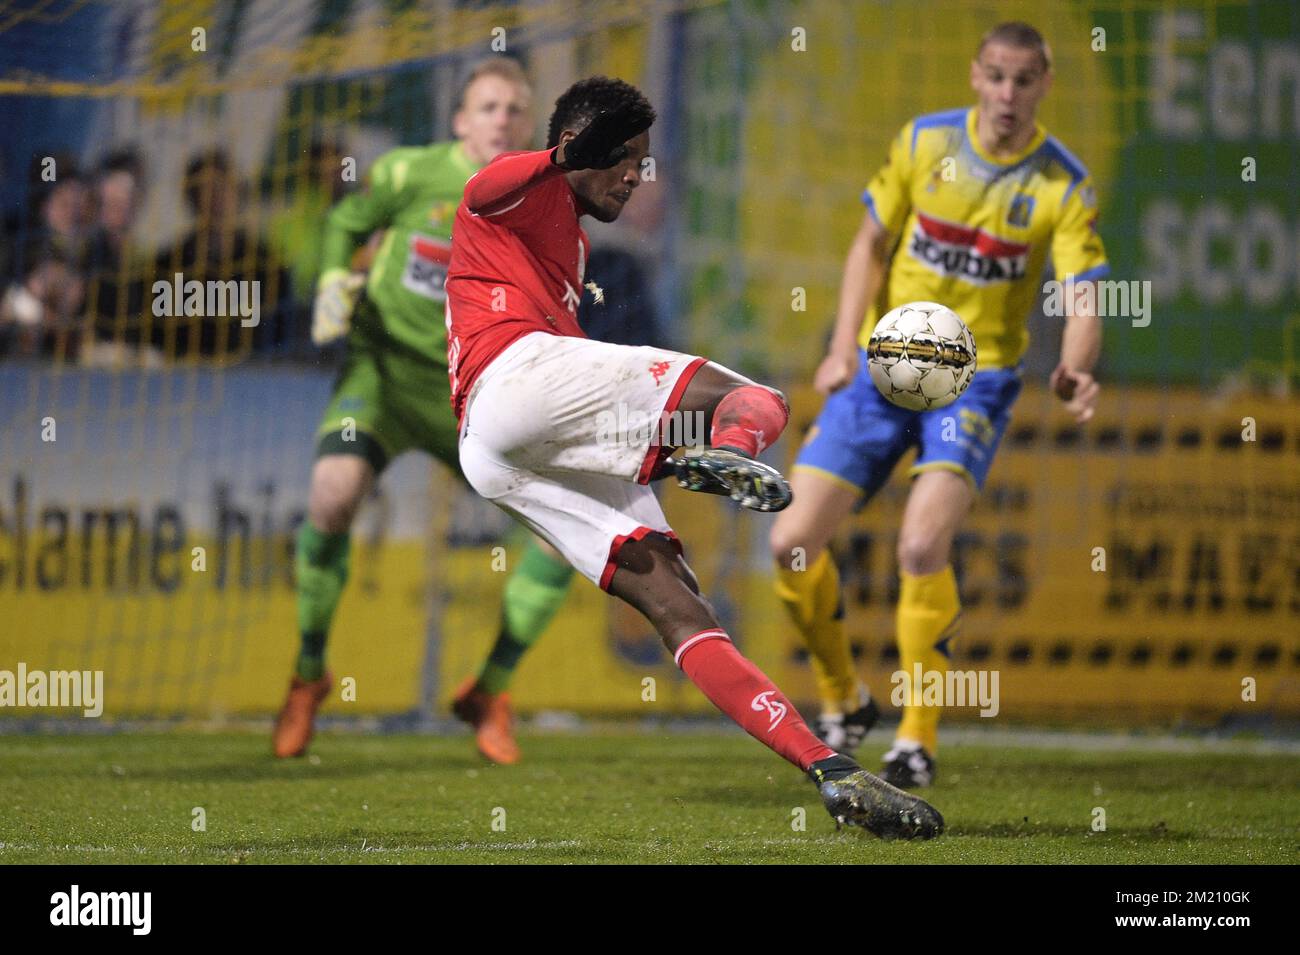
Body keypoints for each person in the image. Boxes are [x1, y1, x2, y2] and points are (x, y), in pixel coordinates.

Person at [445, 75, 943, 838]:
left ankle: (831, 771)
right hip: (514, 377)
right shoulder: (516, 190)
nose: (636, 175)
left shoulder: (570, 244)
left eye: (642, 163)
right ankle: (722, 456)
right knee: (760, 403)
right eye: (628, 160)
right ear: (585, 149)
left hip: (496, 448)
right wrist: (557, 155)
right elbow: (488, 185)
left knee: (679, 604)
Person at [770, 22, 1107, 787]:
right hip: (881, 367)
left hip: (976, 377)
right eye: (995, 76)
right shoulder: (924, 143)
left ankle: (916, 736)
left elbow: (1083, 292)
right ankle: (843, 697)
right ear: (975, 76)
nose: (1008, 95)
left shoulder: (1061, 184)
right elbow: (869, 244)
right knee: (789, 541)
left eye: (1024, 80)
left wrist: (1076, 368)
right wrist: (840, 346)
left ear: (1044, 85)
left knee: (921, 548)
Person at [273, 57, 576, 765]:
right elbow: (345, 220)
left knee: (564, 532)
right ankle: (309, 674)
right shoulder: (411, 175)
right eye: (488, 106)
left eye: (514, 109)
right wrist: (329, 282)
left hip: (472, 393)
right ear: (460, 121)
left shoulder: (544, 203)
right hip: (381, 378)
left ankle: (489, 688)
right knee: (331, 494)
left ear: (528, 126)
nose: (501, 118)